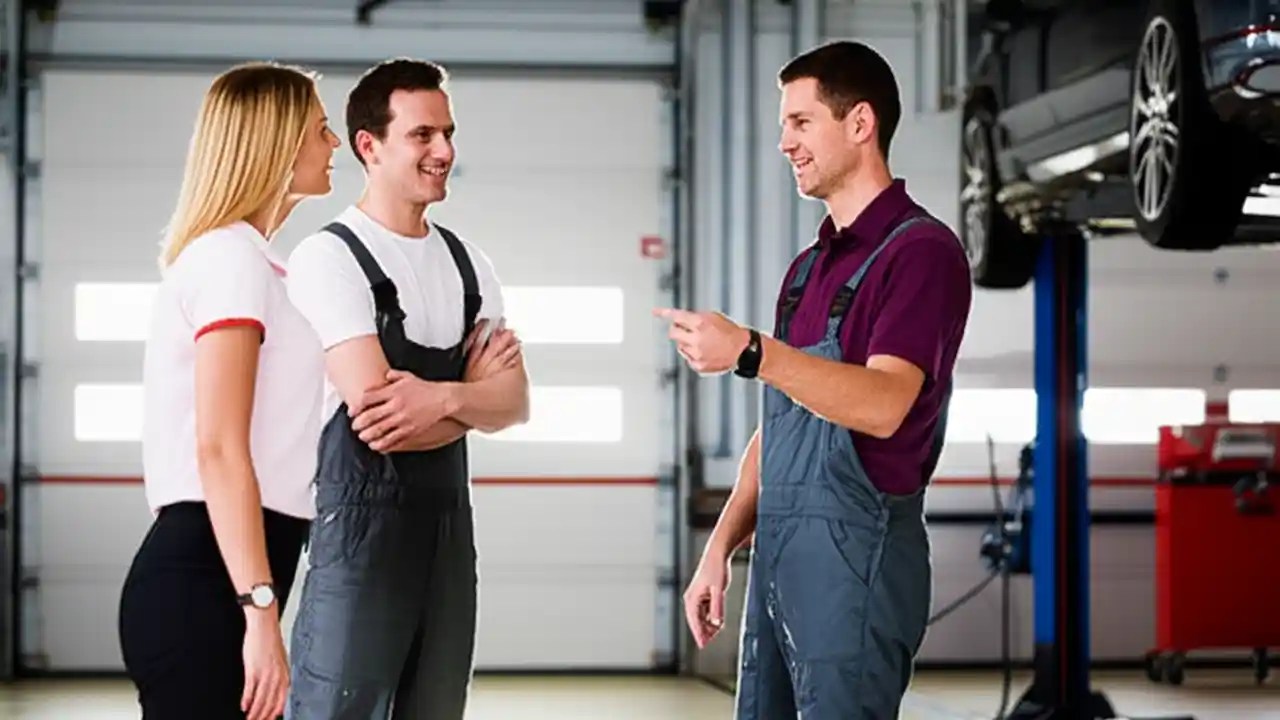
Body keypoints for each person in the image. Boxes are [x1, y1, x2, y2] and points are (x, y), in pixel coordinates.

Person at [656, 40, 973, 719]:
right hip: (779, 558)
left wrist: (750, 351)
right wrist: (720, 548)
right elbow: (781, 427)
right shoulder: (807, 270)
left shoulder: (921, 254)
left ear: (860, 124)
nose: (784, 143)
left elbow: (886, 403)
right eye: (783, 125)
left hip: (857, 566)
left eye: (801, 122)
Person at [283, 57, 530, 719]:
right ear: (370, 145)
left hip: (449, 539)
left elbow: (516, 402)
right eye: (423, 135)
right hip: (357, 541)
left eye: (447, 133)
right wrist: (473, 396)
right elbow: (378, 418)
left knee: (436, 708)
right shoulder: (329, 257)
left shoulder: (468, 264)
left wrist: (444, 399)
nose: (444, 151)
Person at [118, 62, 341, 720]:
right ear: (276, 144)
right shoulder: (230, 261)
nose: (335, 145)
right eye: (322, 130)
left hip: (244, 567)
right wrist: (259, 610)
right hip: (207, 584)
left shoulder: (268, 269)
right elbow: (218, 445)